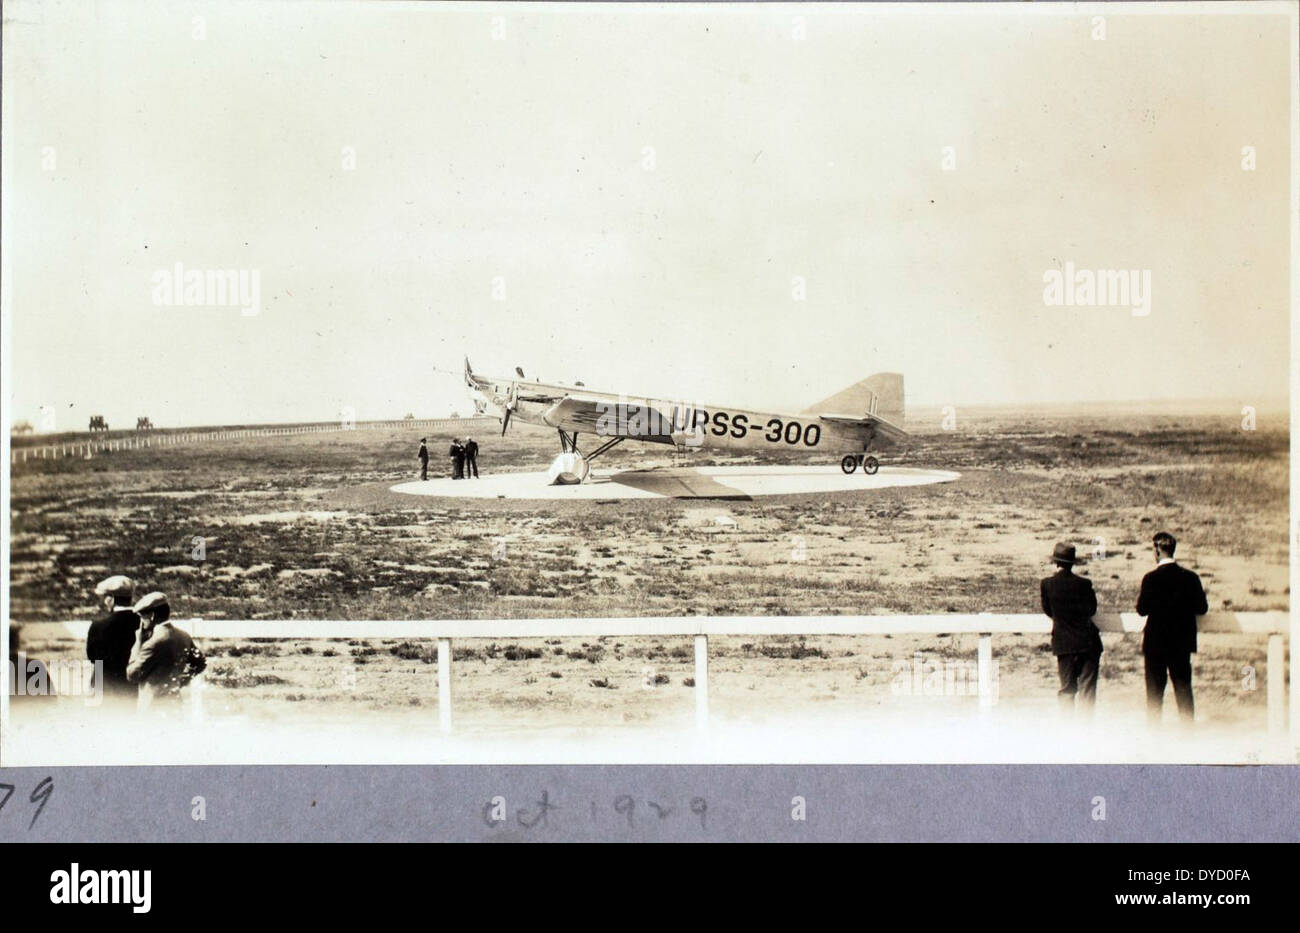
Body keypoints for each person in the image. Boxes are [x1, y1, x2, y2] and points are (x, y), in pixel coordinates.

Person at [1136, 532, 1207, 724]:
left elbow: (1141, 610)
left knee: (1154, 693)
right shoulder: (1190, 578)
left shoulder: (1150, 579)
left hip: (1156, 644)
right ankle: (1187, 735)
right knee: (1183, 690)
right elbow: (1202, 608)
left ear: (1157, 550)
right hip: (1180, 644)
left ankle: (1154, 736)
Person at [1040, 542, 1102, 711]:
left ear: (1056, 562)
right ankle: (1085, 733)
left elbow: (1048, 610)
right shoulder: (1084, 584)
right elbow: (1091, 609)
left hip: (1064, 644)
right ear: (1072, 562)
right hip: (1088, 643)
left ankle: (1068, 732)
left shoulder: (1047, 584)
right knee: (1087, 693)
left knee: (1067, 690)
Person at [126, 592, 206, 711]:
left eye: (143, 617)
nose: (142, 622)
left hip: (152, 707)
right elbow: (200, 663)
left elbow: (132, 675)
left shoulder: (152, 643)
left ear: (152, 616)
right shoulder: (183, 636)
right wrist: (182, 680)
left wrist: (138, 642)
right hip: (175, 703)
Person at [86, 575, 140, 709]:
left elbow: (93, 657)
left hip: (108, 688)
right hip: (135, 687)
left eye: (105, 598)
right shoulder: (142, 622)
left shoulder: (99, 625)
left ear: (111, 599)